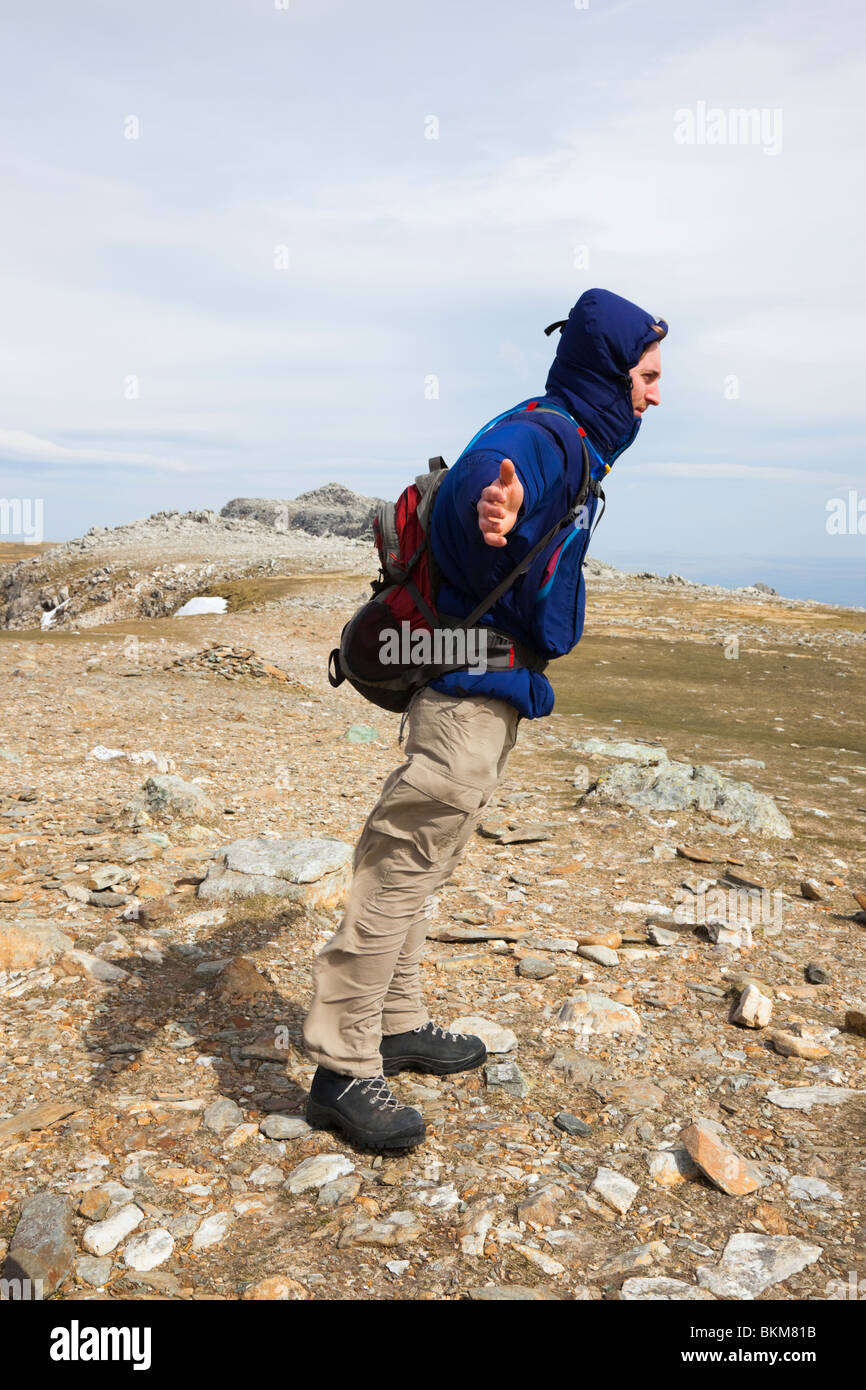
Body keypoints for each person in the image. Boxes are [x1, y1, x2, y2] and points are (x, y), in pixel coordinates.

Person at [303, 288, 667, 1150]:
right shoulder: (540, 440)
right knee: (398, 871)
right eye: (648, 377)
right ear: (610, 373)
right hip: (463, 700)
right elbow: (485, 480)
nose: (656, 395)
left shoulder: (564, 429)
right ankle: (341, 1069)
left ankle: (397, 1023)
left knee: (426, 865)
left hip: (484, 693)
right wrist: (490, 514)